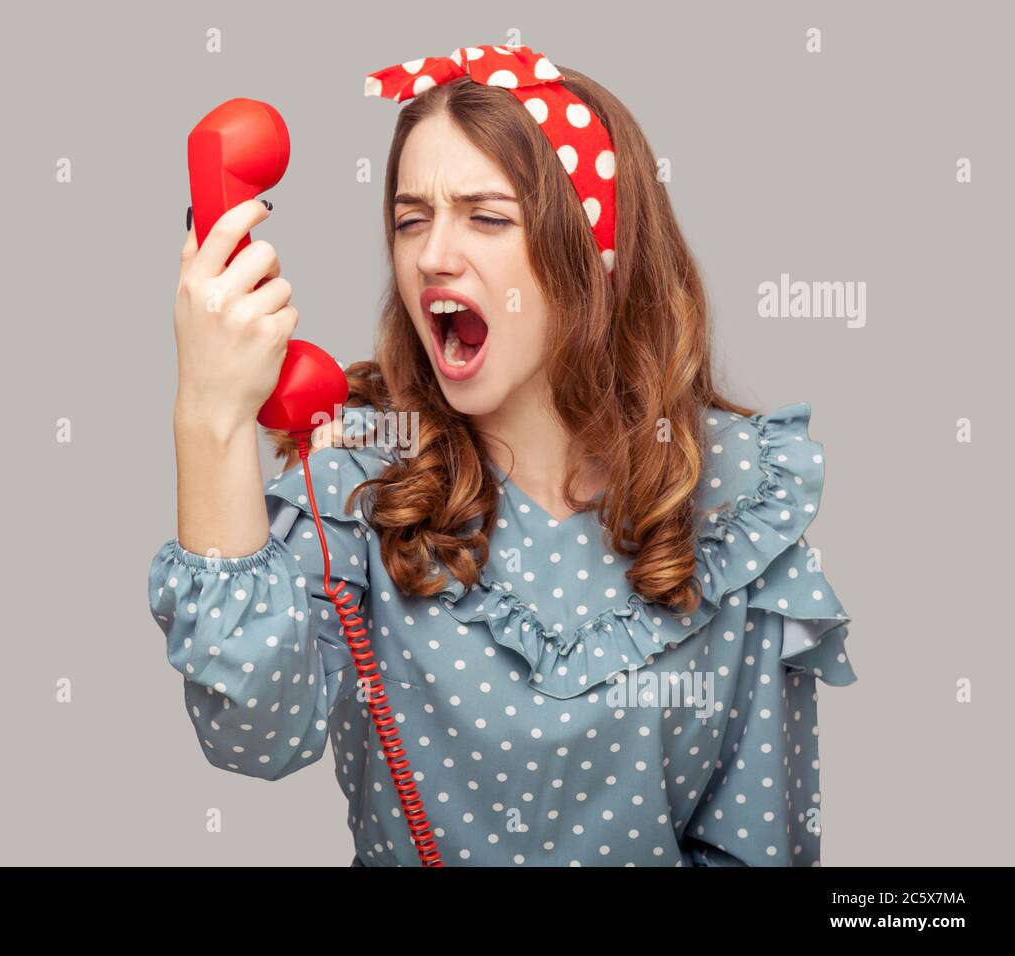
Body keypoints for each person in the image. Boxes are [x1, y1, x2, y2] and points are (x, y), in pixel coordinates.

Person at [151, 44, 856, 867]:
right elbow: (253, 732)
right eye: (411, 219)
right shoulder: (359, 472)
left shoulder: (735, 497)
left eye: (486, 217)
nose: (432, 256)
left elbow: (761, 841)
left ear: (595, 258)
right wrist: (212, 415)